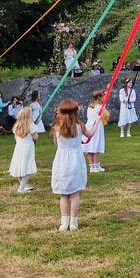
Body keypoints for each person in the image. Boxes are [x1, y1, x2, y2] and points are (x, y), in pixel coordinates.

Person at [51, 99, 87, 231]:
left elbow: (57, 144)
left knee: (64, 194)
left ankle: (63, 222)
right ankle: (73, 223)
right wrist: (97, 121)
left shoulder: (56, 128)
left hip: (61, 162)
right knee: (74, 193)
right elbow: (90, 134)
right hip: (75, 161)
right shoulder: (80, 126)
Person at [8, 106, 38, 193]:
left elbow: (16, 138)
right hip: (28, 148)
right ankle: (21, 188)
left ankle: (23, 185)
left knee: (20, 166)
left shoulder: (16, 126)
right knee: (28, 167)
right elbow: (35, 137)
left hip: (19, 147)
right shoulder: (31, 125)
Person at [83, 90, 106, 173]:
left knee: (90, 146)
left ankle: (92, 166)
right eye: (104, 96)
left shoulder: (90, 106)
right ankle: (96, 166)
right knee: (96, 146)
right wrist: (104, 109)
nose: (105, 98)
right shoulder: (100, 107)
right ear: (100, 97)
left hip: (89, 125)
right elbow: (105, 116)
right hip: (96, 126)